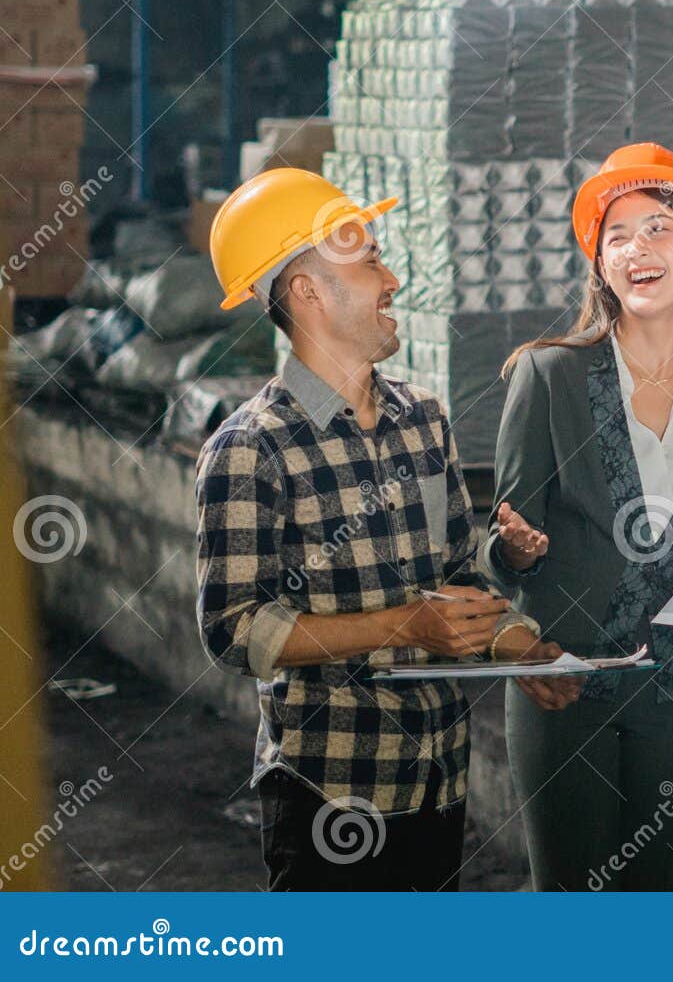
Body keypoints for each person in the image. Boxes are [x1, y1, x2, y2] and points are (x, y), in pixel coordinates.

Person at [195, 168, 556, 892]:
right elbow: (234, 631)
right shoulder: (250, 447)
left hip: (437, 778)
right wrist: (404, 628)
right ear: (309, 292)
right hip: (330, 787)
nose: (392, 280)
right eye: (369, 261)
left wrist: (521, 645)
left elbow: (455, 573)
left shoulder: (421, 420)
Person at [482, 143, 673, 891]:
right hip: (565, 685)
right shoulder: (549, 376)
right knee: (572, 901)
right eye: (616, 235)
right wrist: (515, 551)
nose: (635, 248)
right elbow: (498, 544)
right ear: (600, 264)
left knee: (652, 898)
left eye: (657, 229)